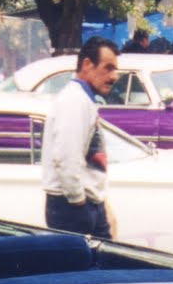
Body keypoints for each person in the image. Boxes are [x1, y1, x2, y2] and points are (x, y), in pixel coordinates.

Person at [39, 36, 119, 238]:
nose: (114, 76)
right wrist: (78, 201)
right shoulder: (74, 100)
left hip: (82, 204)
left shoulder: (81, 99)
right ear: (87, 64)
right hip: (72, 207)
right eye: (108, 68)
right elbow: (66, 155)